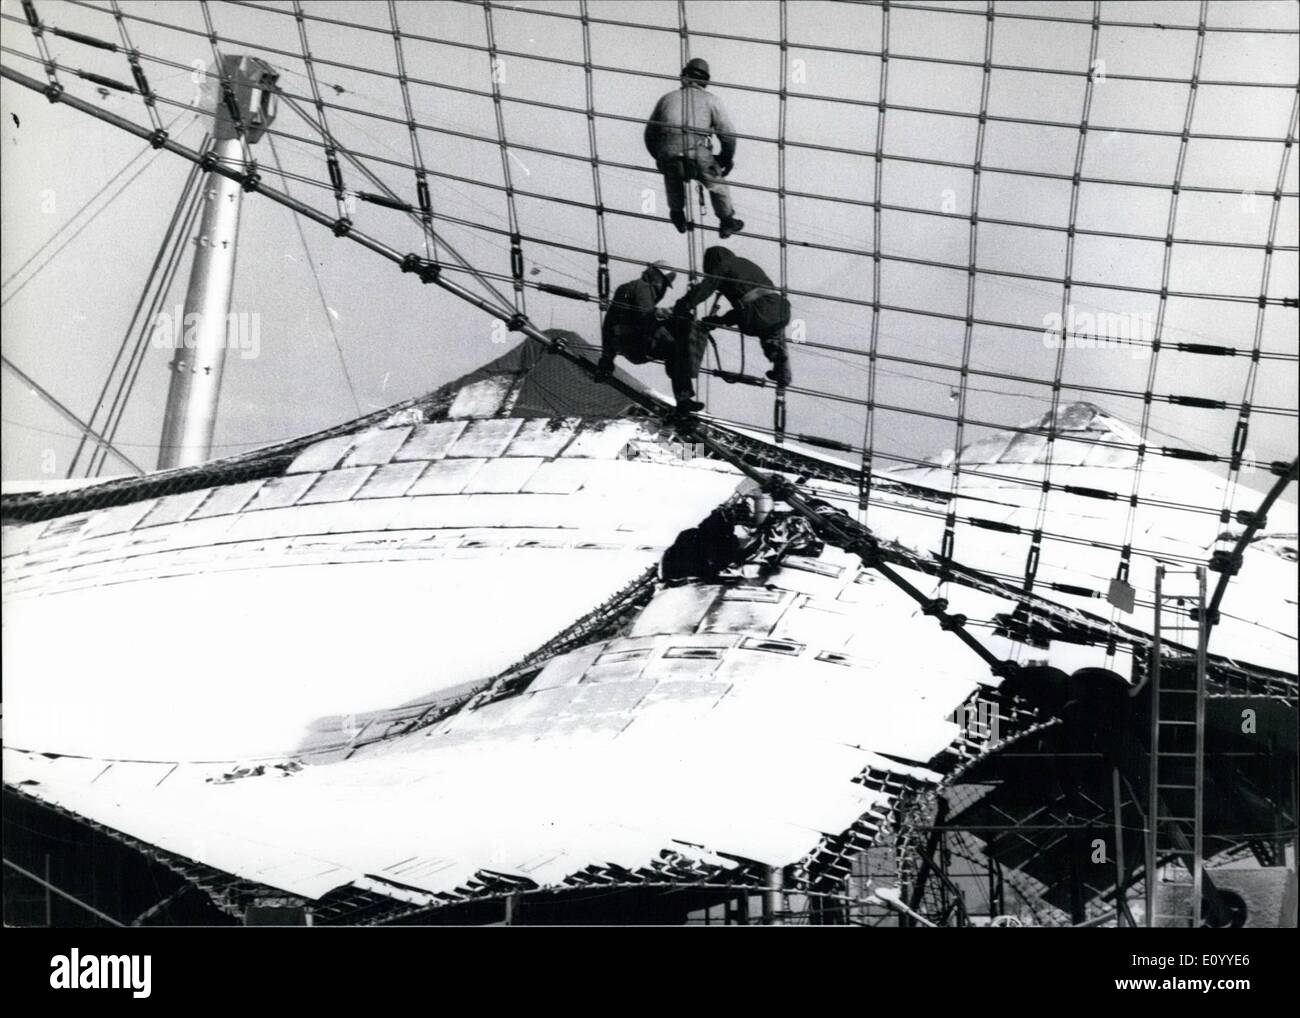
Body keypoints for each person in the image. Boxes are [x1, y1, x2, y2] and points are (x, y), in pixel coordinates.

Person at [644, 58, 744, 239]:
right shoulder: (711, 100)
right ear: (705, 81)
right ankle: (727, 221)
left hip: (668, 151)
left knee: (672, 179)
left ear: (683, 76)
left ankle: (677, 213)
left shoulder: (666, 99)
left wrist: (660, 156)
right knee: (717, 185)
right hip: (697, 151)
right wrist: (725, 158)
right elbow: (728, 135)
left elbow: (649, 134)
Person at [673, 245, 793, 386]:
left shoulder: (723, 266)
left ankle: (776, 354)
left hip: (757, 314)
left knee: (760, 323)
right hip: (780, 309)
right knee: (771, 333)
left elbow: (704, 290)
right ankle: (783, 371)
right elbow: (747, 306)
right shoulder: (745, 264)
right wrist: (719, 320)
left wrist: (683, 305)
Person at [596, 261, 707, 412]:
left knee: (675, 344)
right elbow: (647, 319)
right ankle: (683, 398)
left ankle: (683, 396)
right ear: (656, 277)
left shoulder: (633, 288)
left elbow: (610, 324)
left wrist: (607, 358)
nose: (663, 289)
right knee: (677, 346)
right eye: (664, 284)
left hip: (627, 343)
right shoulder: (642, 288)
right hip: (635, 343)